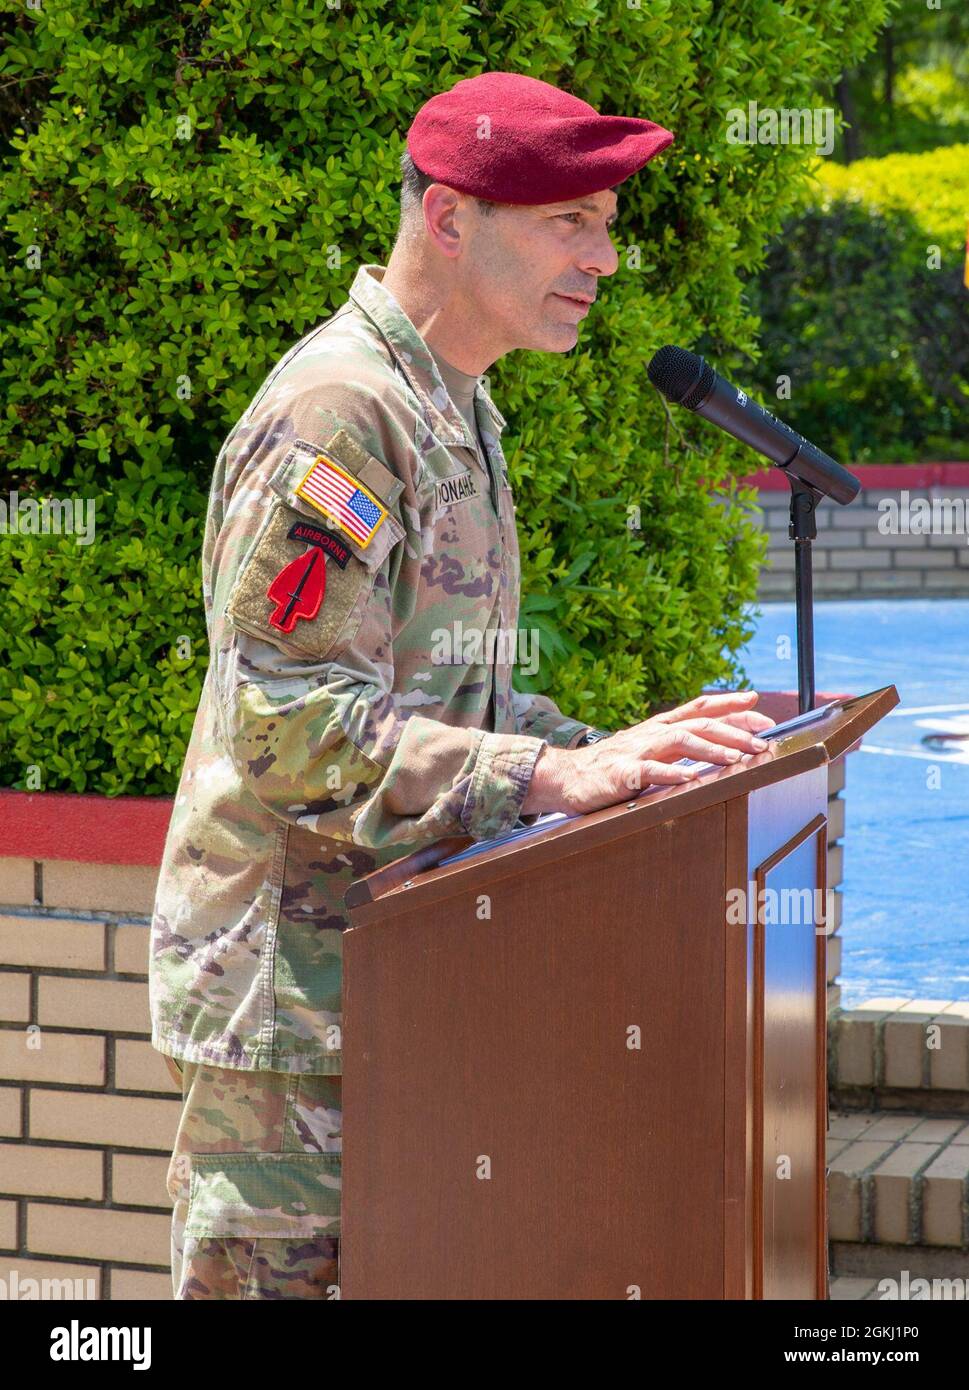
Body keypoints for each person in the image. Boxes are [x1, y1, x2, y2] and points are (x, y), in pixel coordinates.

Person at [149, 70, 775, 1300]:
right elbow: (288, 724)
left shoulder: (451, 409)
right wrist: (544, 776)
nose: (604, 260)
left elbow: (443, 693)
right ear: (450, 217)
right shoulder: (342, 418)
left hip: (395, 982)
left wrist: (619, 756)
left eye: (605, 224)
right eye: (569, 222)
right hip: (295, 1012)